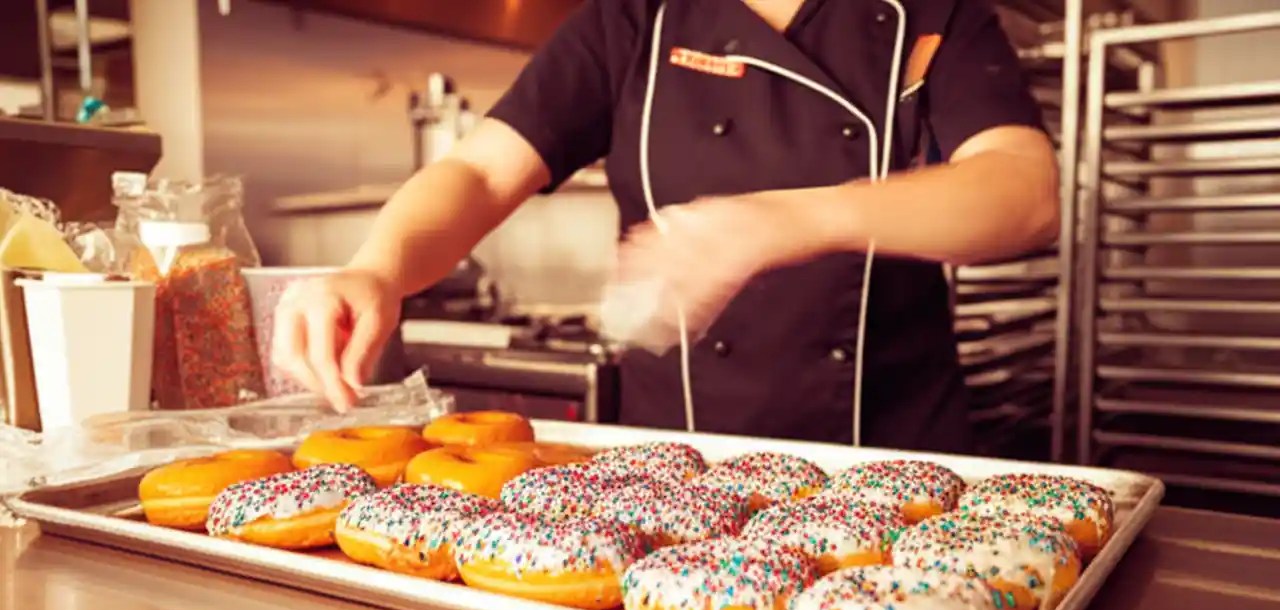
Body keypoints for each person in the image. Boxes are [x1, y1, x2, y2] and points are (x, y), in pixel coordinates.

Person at [272, 0, 1059, 454]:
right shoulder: (635, 18)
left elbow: (1023, 193)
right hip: (677, 468)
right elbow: (478, 172)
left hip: (888, 457)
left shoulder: (931, 12)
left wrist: (790, 217)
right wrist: (377, 266)